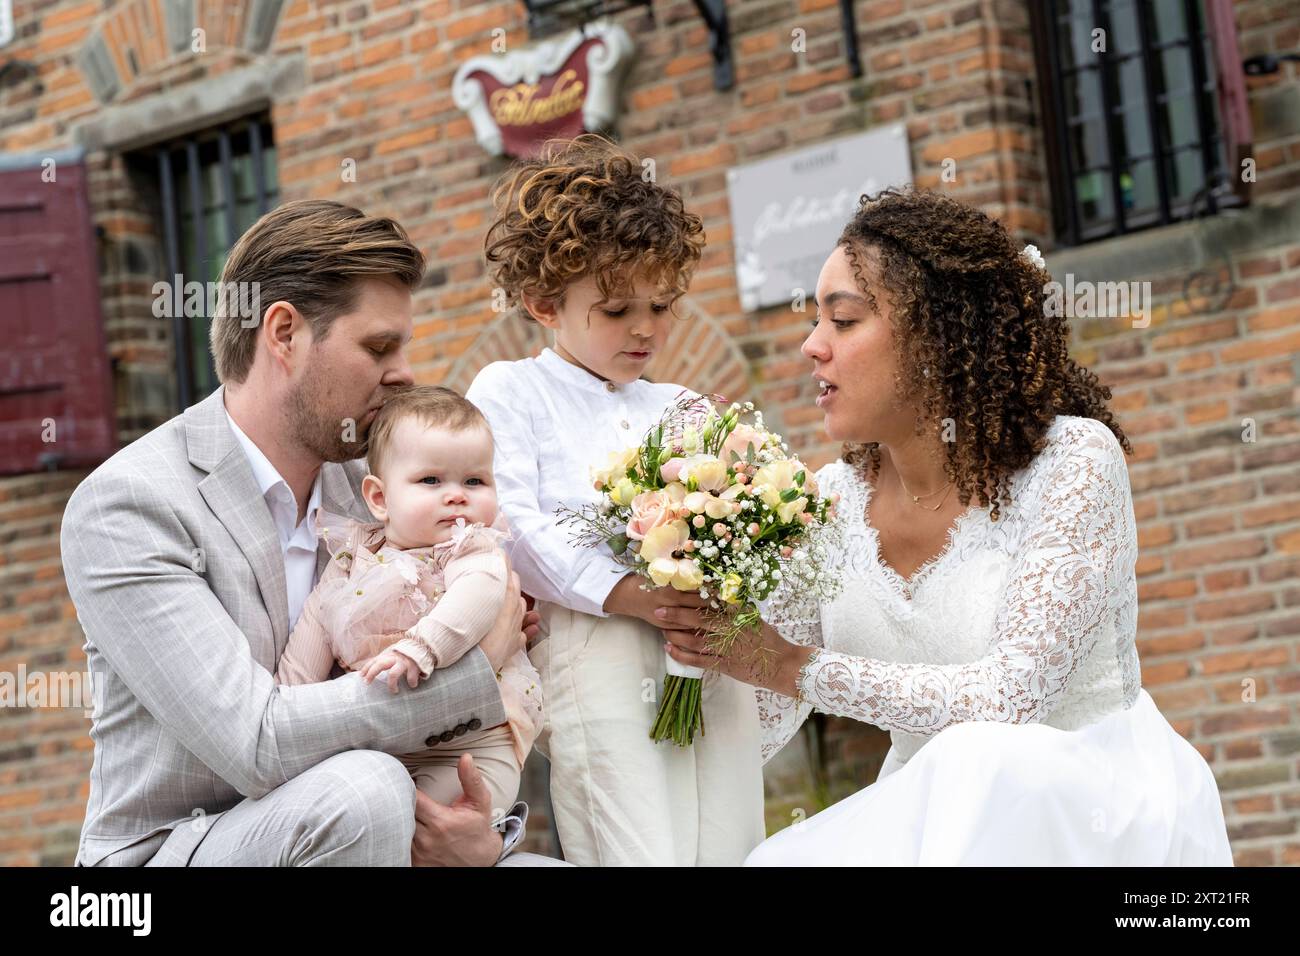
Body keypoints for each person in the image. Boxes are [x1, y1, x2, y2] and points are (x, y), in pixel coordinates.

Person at [657, 188, 1235, 865]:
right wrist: (677, 617)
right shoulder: (826, 502)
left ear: (936, 336)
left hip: (1089, 808)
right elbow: (757, 721)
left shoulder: (1073, 462)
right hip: (937, 822)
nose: (813, 347)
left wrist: (791, 664)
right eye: (817, 321)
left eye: (843, 321)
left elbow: (1010, 697)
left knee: (977, 759)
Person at [61, 200, 546, 867]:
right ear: (284, 333)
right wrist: (476, 667)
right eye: (378, 347)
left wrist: (483, 837)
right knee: (364, 789)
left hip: (383, 819)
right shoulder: (130, 505)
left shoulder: (379, 486)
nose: (404, 371)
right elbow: (257, 745)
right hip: (182, 847)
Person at [466, 134, 766, 865]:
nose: (646, 328)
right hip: (594, 645)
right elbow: (517, 524)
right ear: (543, 303)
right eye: (615, 309)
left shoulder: (686, 404)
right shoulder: (512, 391)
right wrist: (630, 593)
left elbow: (739, 509)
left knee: (731, 835)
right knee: (634, 838)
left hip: (702, 642)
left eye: (662, 305)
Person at [275, 385, 544, 821]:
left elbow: (478, 592)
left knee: (416, 821)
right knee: (360, 807)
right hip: (381, 745)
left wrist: (422, 647)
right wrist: (288, 701)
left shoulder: (471, 549)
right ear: (379, 498)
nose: (457, 495)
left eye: (475, 481)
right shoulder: (351, 560)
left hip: (470, 749)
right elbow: (317, 623)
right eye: (431, 481)